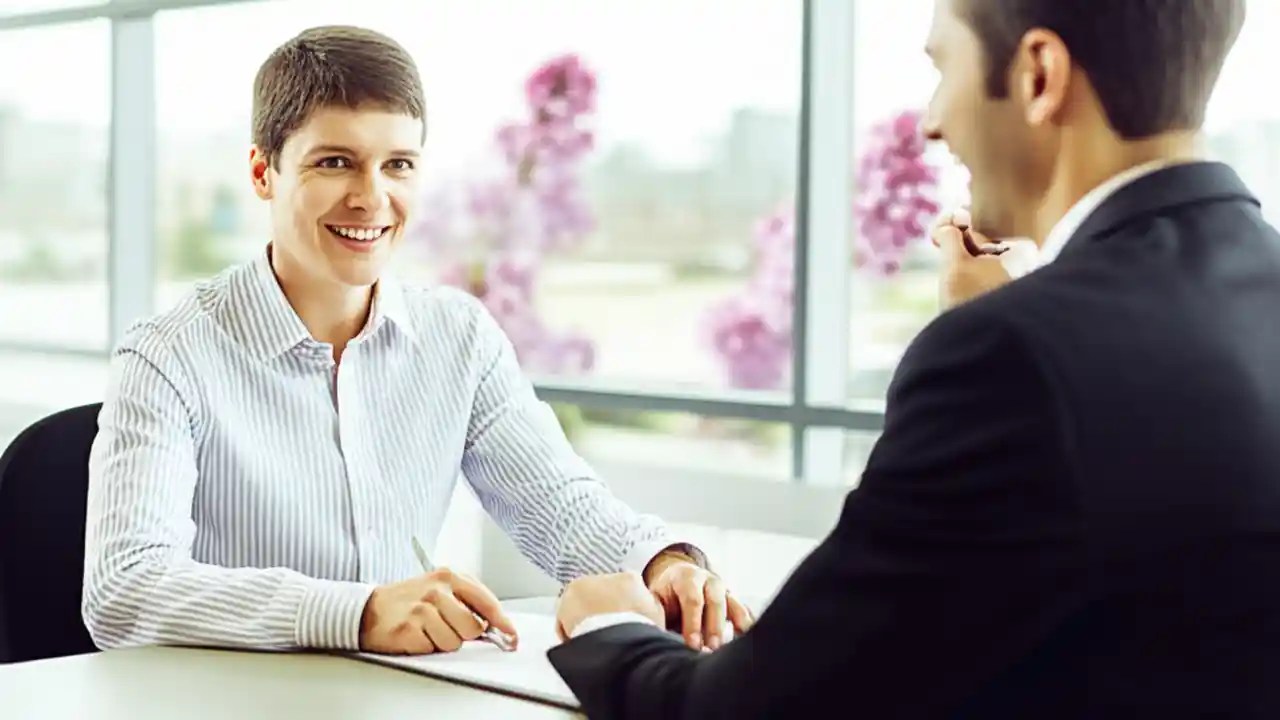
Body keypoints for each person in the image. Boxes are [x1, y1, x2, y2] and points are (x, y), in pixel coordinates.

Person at [548, 1, 1280, 717]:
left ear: (1038, 74)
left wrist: (610, 630)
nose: (933, 121)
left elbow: (754, 706)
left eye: (943, 66)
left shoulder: (1009, 358)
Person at [81, 25, 753, 658]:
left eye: (398, 164)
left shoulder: (458, 338)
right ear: (264, 173)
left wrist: (665, 562)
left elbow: (562, 506)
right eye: (336, 162)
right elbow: (123, 589)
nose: (372, 199)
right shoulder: (167, 356)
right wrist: (360, 614)